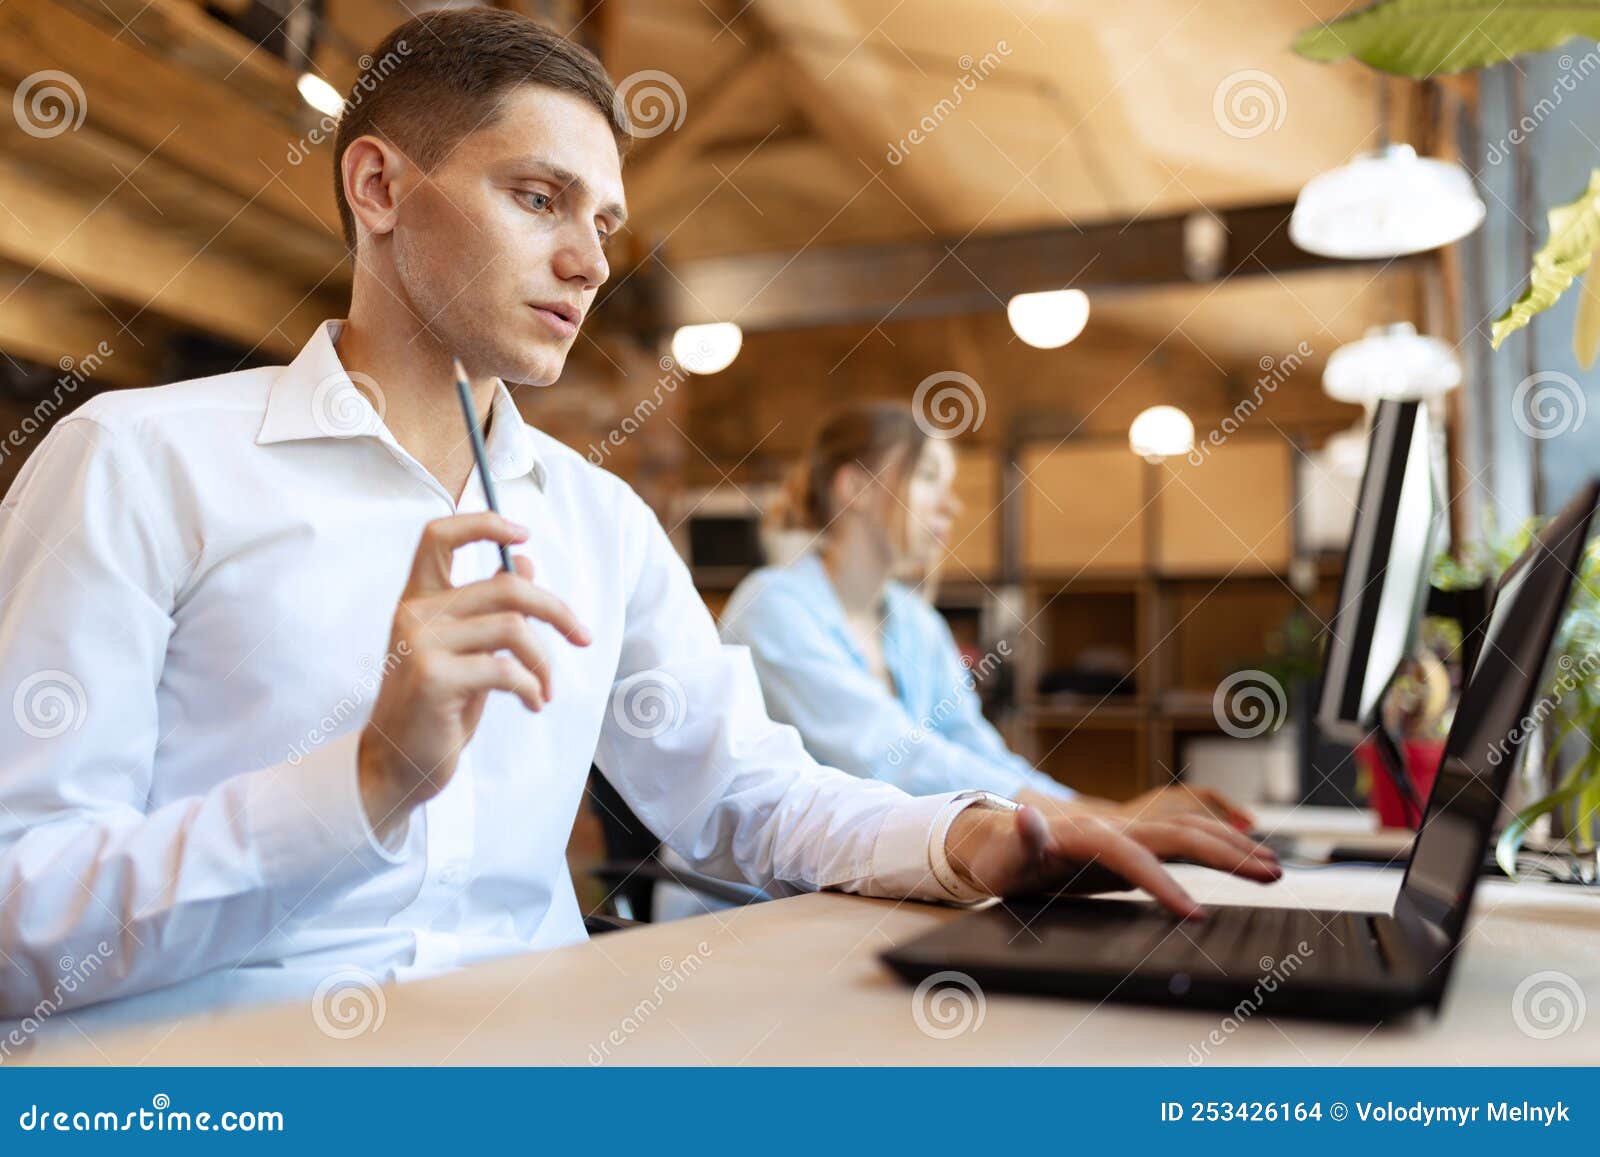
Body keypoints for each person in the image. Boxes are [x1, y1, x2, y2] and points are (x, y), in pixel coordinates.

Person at [0, 8, 1278, 1021]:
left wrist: (987, 835)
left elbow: (745, 792)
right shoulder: (133, 460)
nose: (591, 260)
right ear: (378, 189)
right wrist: (368, 776)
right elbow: (18, 920)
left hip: (541, 1064)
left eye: (604, 220)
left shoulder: (596, 520)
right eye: (538, 198)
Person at [721, 402, 1252, 827]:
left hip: (854, 893)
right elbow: (892, 759)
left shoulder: (912, 621)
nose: (951, 506)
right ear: (855, 487)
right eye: (928, 476)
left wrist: (1097, 814)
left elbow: (975, 749)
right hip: (750, 909)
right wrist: (1099, 819)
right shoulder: (773, 608)